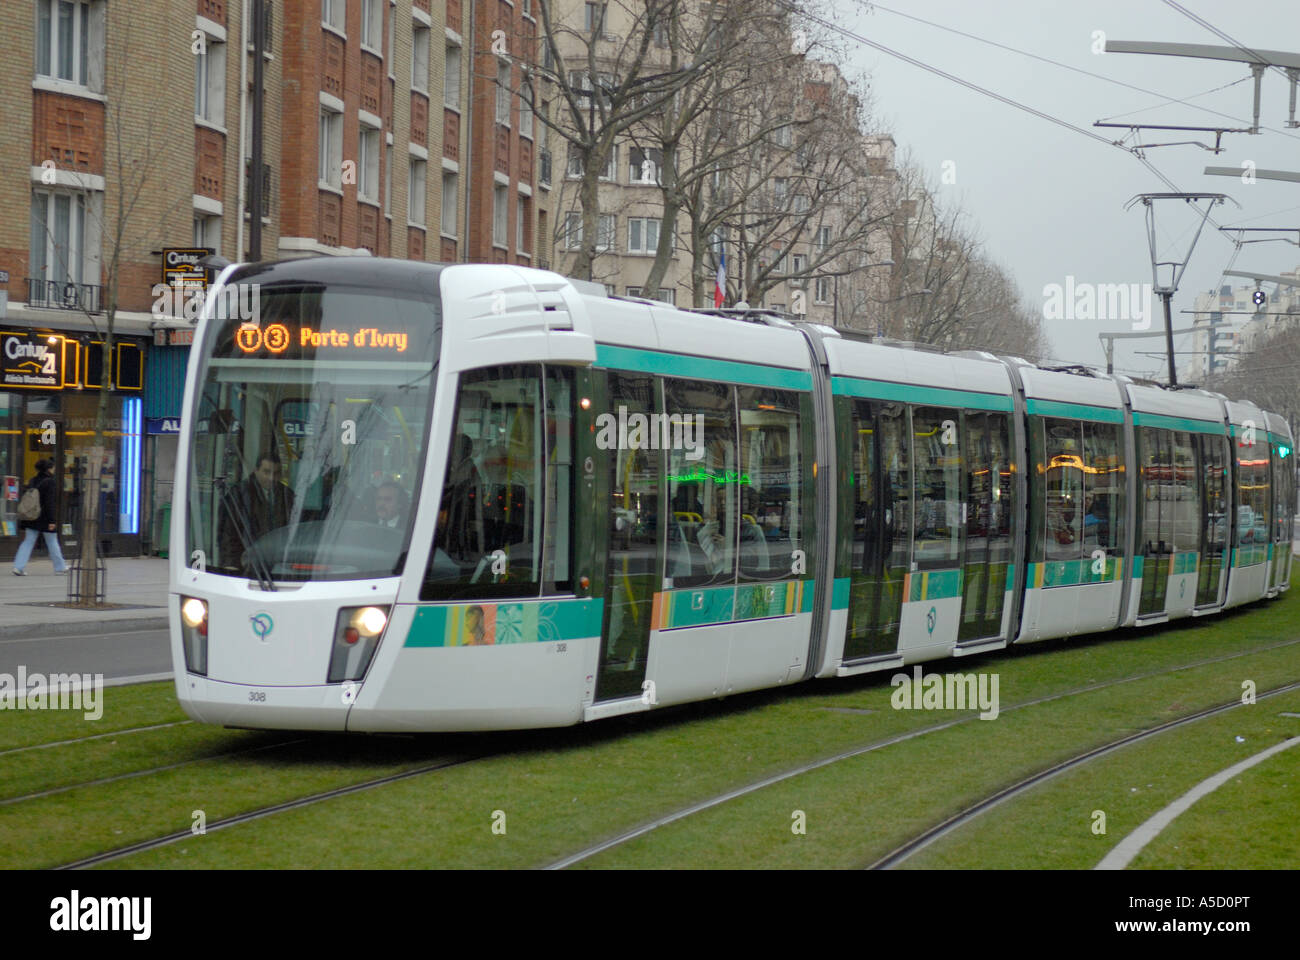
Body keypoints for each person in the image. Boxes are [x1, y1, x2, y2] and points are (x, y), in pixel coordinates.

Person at [14, 459, 68, 575]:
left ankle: (18, 567)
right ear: (48, 469)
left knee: (27, 541)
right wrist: (52, 520)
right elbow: (50, 503)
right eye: (52, 467)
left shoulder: (33, 480)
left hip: (31, 516)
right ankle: (60, 567)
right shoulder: (50, 482)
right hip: (44, 518)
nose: (54, 469)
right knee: (52, 541)